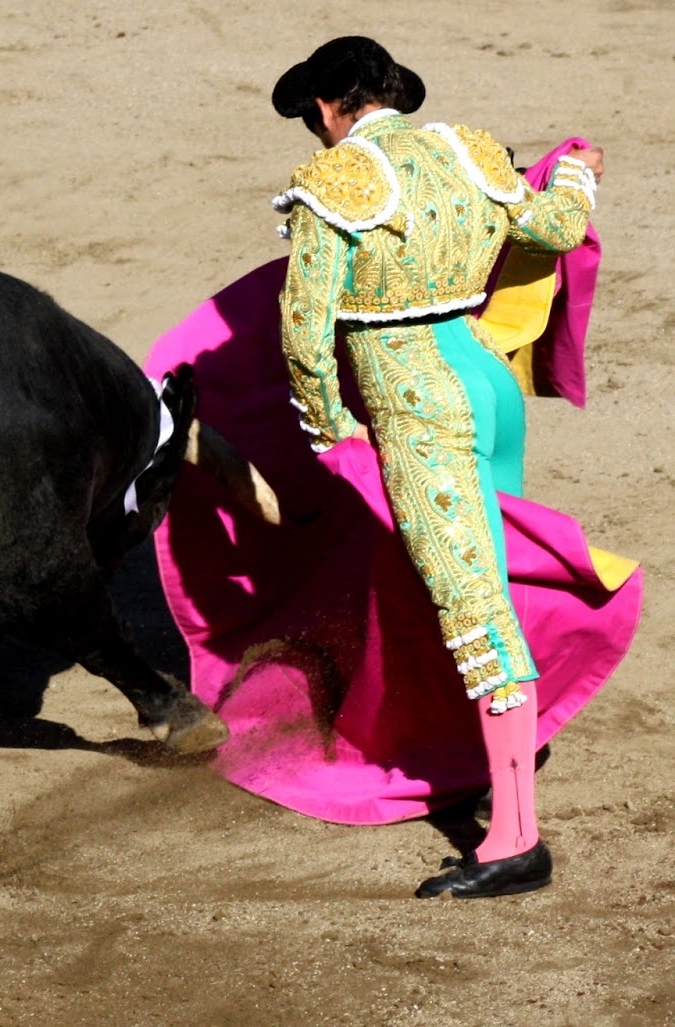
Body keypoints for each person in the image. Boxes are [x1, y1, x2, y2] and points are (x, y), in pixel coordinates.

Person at [264, 36, 603, 898]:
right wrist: (574, 173)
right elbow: (558, 228)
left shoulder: (335, 182)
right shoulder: (470, 149)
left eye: (314, 113)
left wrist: (330, 431)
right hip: (488, 388)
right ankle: (515, 739)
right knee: (496, 569)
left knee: (473, 601)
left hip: (419, 405)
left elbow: (304, 335)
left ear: (330, 107)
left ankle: (515, 838)